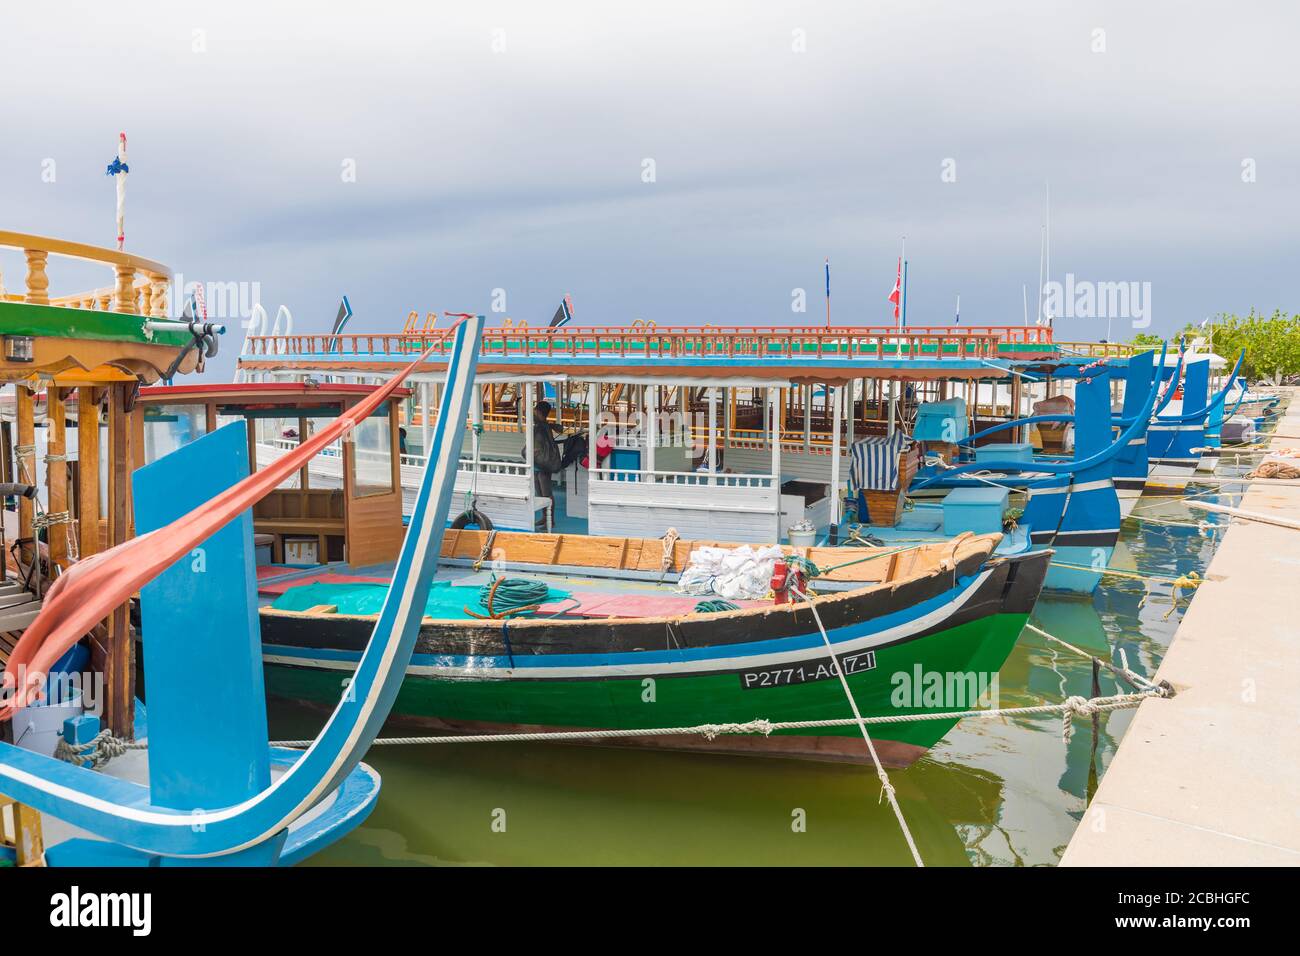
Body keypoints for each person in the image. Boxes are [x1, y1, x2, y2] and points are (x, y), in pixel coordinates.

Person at [531, 400, 563, 499]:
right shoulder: (543, 426)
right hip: (539, 463)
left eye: (535, 411)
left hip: (542, 463)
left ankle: (548, 515)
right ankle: (545, 514)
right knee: (541, 495)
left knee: (546, 495)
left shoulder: (542, 427)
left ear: (538, 412)